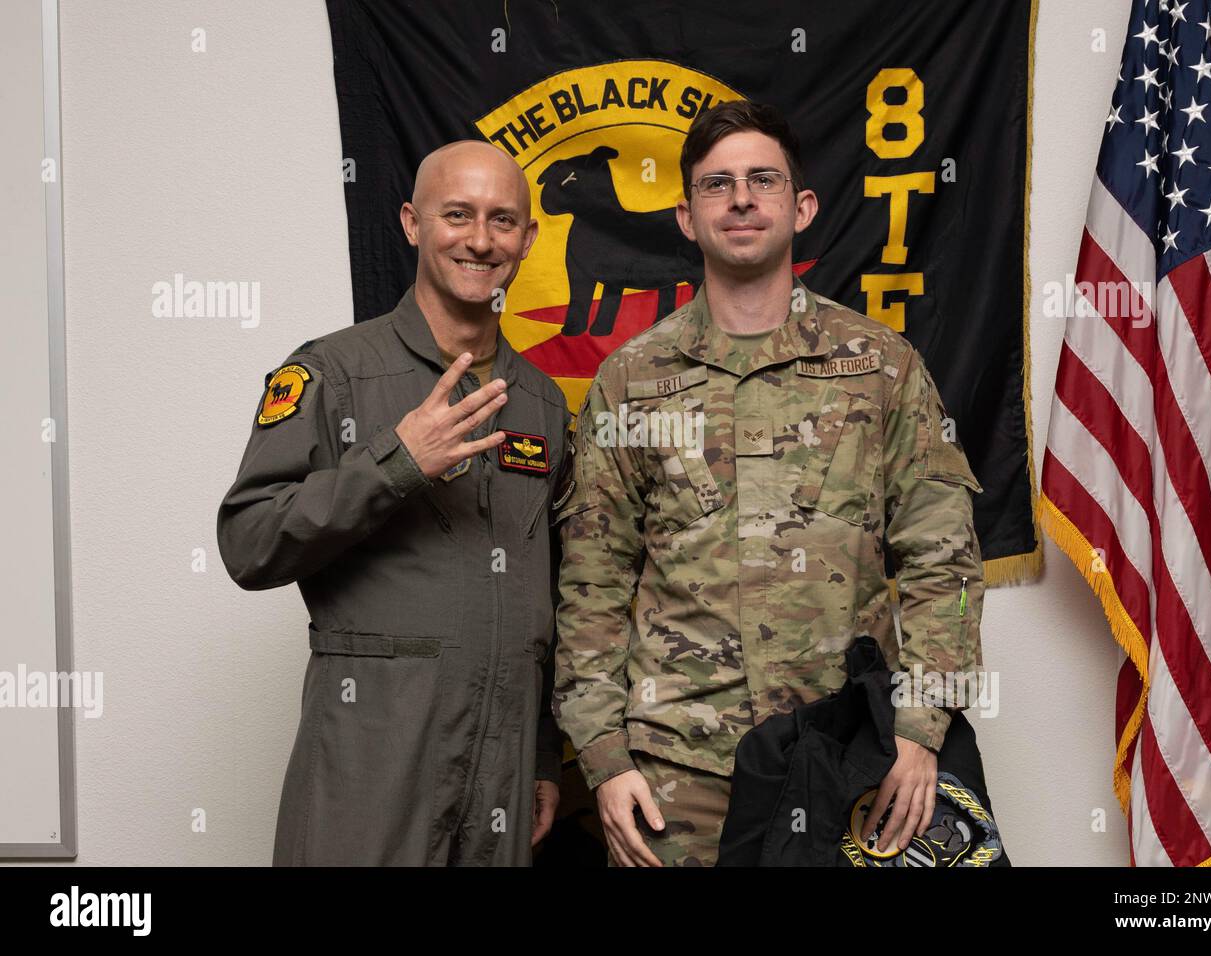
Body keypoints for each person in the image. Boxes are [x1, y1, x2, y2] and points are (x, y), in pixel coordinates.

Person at [553, 101, 987, 867]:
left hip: (842, 758)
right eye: (717, 185)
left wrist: (921, 730)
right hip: (675, 773)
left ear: (802, 206)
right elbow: (593, 581)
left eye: (762, 180)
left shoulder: (880, 366)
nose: (742, 199)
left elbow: (942, 558)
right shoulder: (630, 380)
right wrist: (604, 757)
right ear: (687, 217)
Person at [217, 140, 572, 866]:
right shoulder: (333, 374)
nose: (480, 239)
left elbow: (548, 596)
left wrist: (541, 757)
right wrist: (395, 464)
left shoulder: (541, 404)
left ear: (528, 238)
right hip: (373, 763)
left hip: (500, 769)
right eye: (458, 215)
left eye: (503, 220)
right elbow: (248, 543)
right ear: (412, 223)